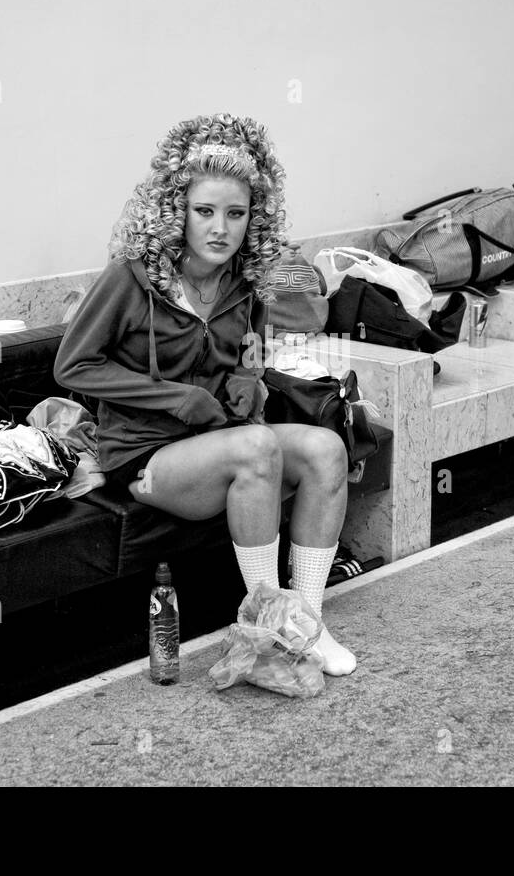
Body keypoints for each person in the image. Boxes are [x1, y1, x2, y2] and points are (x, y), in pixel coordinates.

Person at [53, 112, 356, 675]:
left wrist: (247, 378)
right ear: (177, 213)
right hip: (146, 457)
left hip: (218, 443)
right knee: (258, 448)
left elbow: (249, 347)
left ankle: (306, 621)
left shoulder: (246, 279)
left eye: (235, 214)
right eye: (205, 211)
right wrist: (173, 398)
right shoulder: (131, 277)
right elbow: (73, 365)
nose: (220, 228)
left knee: (324, 449)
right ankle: (271, 623)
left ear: (252, 219)